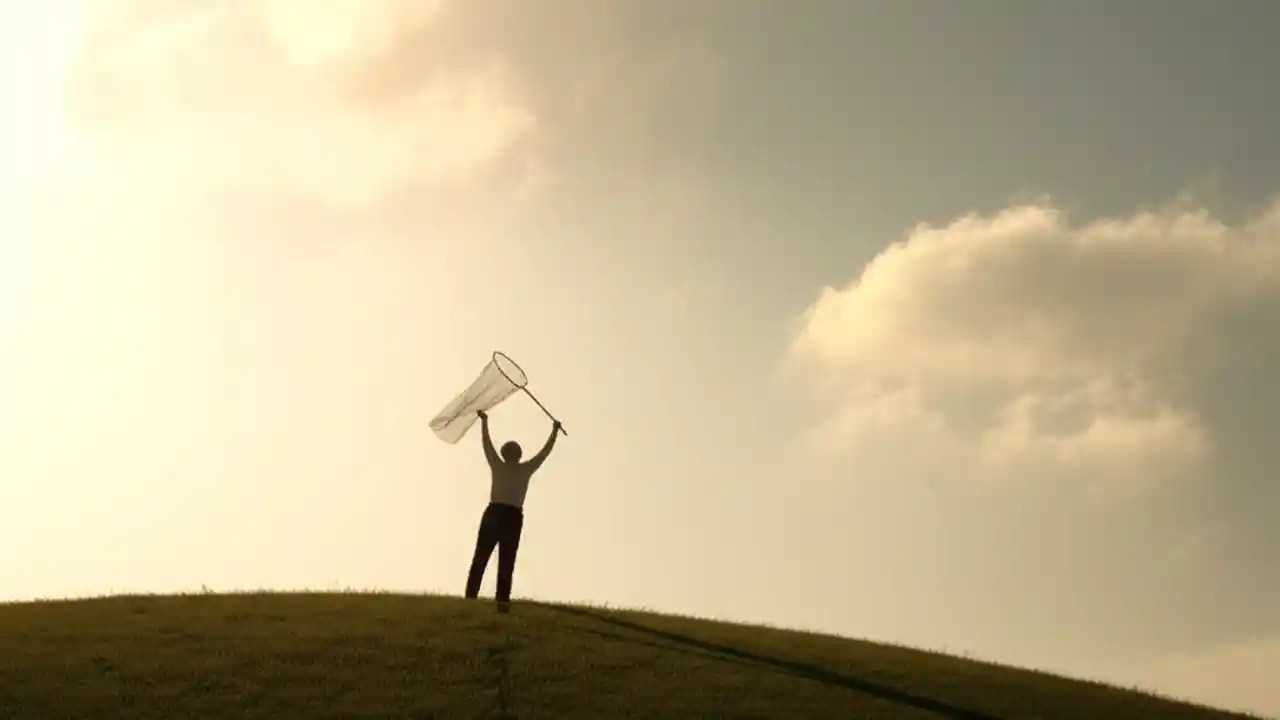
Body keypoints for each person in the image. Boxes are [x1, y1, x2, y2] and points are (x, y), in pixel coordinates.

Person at [465, 408, 561, 611]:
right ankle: (500, 599)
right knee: (504, 559)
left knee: (486, 556)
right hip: (509, 515)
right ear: (517, 455)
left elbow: (487, 445)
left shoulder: (504, 466)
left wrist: (484, 422)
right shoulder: (523, 469)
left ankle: (475, 597)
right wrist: (554, 433)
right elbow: (543, 454)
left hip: (499, 513)